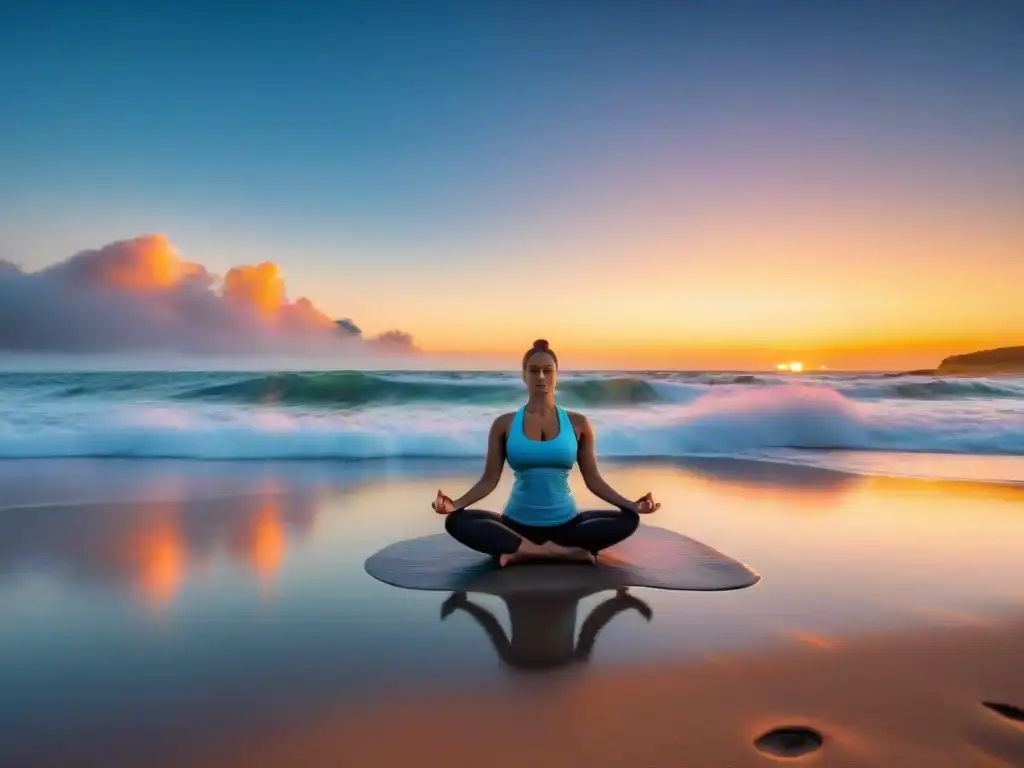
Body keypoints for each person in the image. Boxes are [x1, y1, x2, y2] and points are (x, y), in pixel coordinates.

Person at [432, 338, 661, 567]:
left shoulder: (578, 423)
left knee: (628, 520)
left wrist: (632, 505)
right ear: (524, 375)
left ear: (556, 374)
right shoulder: (505, 424)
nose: (541, 377)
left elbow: (594, 480)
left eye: (547, 371)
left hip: (567, 525)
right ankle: (559, 553)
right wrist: (455, 504)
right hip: (516, 526)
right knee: (457, 521)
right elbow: (489, 480)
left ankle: (524, 552)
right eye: (533, 371)